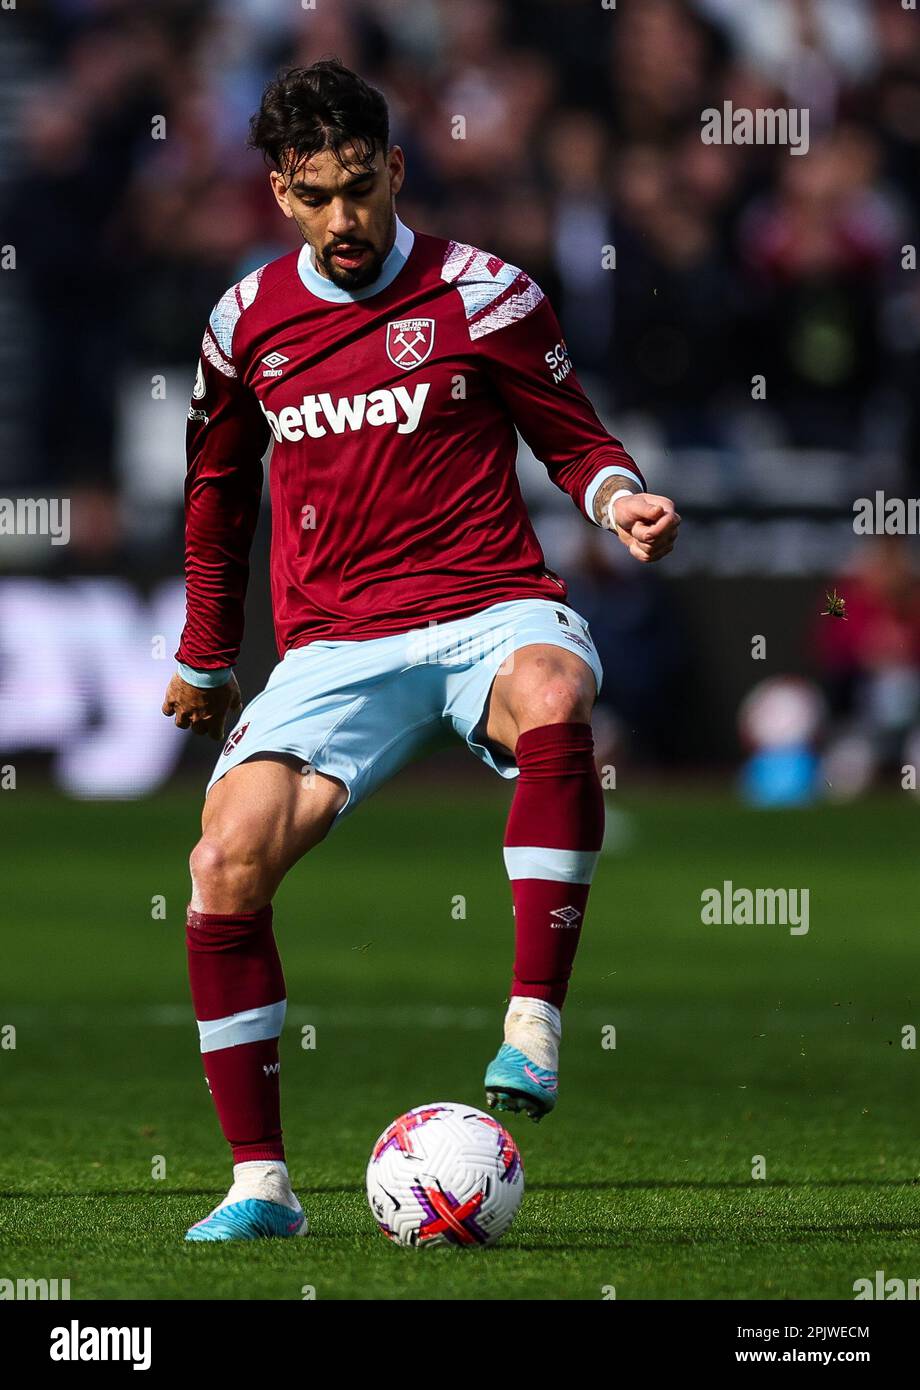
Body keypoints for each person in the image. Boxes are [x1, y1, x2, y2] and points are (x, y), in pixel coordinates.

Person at [161, 59, 680, 1241]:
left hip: (489, 604)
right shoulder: (245, 326)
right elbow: (215, 496)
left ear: (396, 168)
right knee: (221, 864)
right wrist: (203, 653)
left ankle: (531, 1024)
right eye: (313, 196)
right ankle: (260, 1188)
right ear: (277, 194)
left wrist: (620, 502)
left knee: (553, 693)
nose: (343, 220)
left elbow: (574, 441)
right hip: (334, 643)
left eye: (360, 188)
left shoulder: (485, 294)